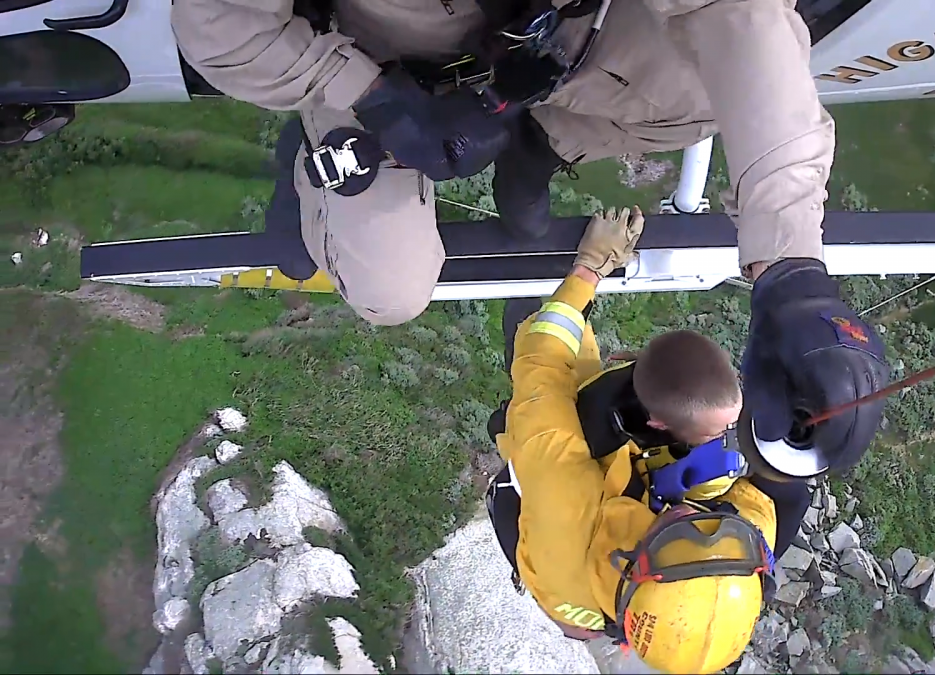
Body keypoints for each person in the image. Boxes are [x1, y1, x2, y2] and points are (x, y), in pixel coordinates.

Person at [174, 0, 890, 533]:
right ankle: (312, 168)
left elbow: (740, 15)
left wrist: (791, 263)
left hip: (554, 50)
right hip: (384, 62)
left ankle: (534, 151)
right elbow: (213, 22)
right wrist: (367, 93)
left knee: (706, 93)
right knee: (389, 289)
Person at [487, 205, 778, 673]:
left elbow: (540, 369)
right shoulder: (719, 583)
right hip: (588, 604)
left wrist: (588, 270)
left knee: (540, 336)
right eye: (720, 530)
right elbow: (763, 502)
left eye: (681, 531)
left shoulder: (565, 498)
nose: (693, 516)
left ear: (638, 562)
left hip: (556, 533)